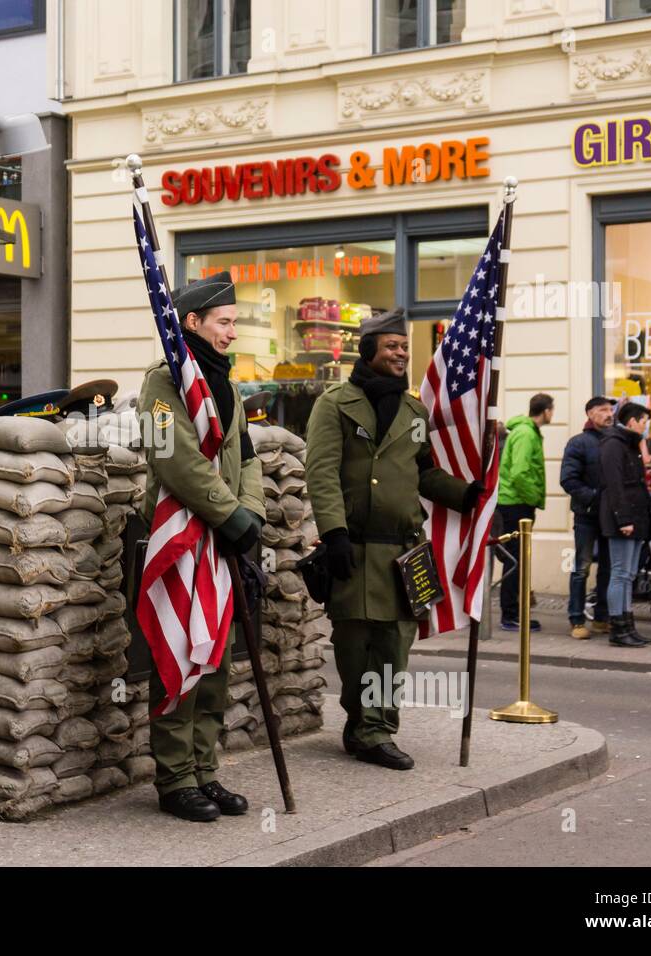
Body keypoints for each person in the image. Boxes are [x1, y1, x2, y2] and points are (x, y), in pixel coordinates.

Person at [306, 309, 482, 771]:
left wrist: (465, 495)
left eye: (405, 347)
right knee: (352, 645)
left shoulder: (413, 411)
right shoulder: (334, 404)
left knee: (393, 647)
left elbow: (423, 471)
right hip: (355, 548)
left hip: (404, 552)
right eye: (392, 347)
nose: (402, 354)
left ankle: (376, 730)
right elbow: (321, 471)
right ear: (369, 351)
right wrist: (334, 533)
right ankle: (359, 719)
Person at [138, 271, 265, 822]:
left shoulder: (228, 387)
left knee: (214, 661)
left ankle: (204, 771)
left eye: (235, 322)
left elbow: (250, 458)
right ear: (192, 322)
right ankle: (175, 779)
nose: (233, 333)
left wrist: (251, 514)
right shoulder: (163, 383)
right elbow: (174, 459)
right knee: (180, 656)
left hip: (223, 541)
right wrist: (228, 513)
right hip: (185, 540)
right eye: (226, 322)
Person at [496, 393, 554, 631]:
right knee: (515, 560)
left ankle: (514, 612)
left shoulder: (527, 432)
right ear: (546, 411)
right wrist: (532, 498)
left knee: (518, 560)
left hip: (518, 502)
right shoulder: (526, 433)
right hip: (516, 504)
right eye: (552, 410)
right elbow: (519, 472)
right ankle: (510, 615)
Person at [599, 402, 651, 647]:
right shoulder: (613, 444)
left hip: (635, 516)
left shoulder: (629, 443)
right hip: (623, 518)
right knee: (620, 574)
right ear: (632, 422)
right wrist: (624, 519)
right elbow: (614, 484)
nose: (646, 426)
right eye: (644, 421)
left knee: (629, 574)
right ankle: (617, 628)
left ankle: (627, 625)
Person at [560, 396, 615, 639]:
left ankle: (602, 618)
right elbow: (568, 480)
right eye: (603, 410)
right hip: (587, 515)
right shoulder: (578, 443)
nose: (609, 414)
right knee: (581, 567)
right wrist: (595, 498)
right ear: (590, 414)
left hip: (611, 516)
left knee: (608, 568)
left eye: (611, 409)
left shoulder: (616, 440)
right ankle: (577, 619)